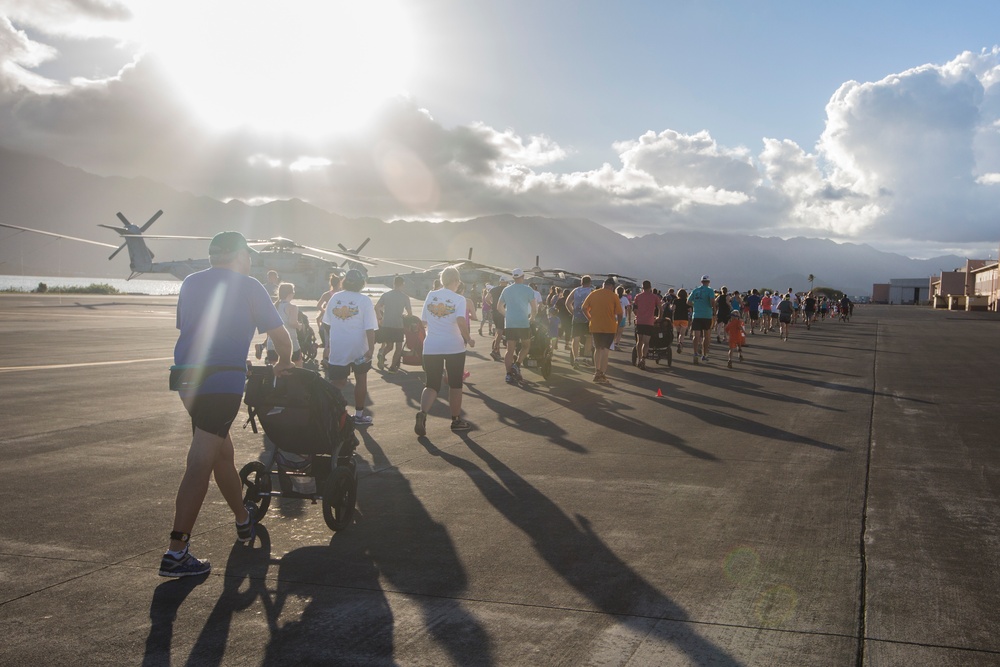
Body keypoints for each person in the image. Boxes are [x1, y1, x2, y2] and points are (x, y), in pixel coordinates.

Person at [161, 231, 293, 578]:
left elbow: (188, 327)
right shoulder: (249, 286)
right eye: (247, 255)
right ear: (239, 256)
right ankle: (176, 552)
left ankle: (243, 519)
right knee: (201, 460)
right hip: (222, 382)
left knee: (222, 454)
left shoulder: (190, 283)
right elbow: (281, 337)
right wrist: (284, 362)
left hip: (187, 380)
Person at [414, 265, 475, 435]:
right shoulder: (459, 299)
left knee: (432, 383)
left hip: (432, 346)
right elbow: (461, 321)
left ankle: (422, 413)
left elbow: (424, 321)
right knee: (455, 384)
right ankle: (456, 420)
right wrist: (468, 338)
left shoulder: (431, 295)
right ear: (456, 281)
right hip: (453, 346)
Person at [323, 269, 378, 424]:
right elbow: (370, 328)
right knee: (361, 379)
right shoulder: (364, 300)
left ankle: (330, 412)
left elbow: (326, 323)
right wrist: (371, 349)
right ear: (362, 283)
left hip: (339, 345)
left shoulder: (335, 298)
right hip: (359, 347)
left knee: (338, 382)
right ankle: (359, 416)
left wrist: (331, 342)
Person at [497, 269, 537, 384]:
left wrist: (507, 315)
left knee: (510, 350)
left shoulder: (506, 290)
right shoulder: (528, 290)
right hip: (523, 323)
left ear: (513, 277)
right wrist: (532, 318)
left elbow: (499, 307)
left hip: (510, 324)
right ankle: (518, 364)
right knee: (526, 345)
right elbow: (534, 308)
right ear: (523, 277)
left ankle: (508, 375)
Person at [582, 276, 624, 384]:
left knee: (598, 348)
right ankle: (602, 374)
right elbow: (620, 313)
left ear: (603, 285)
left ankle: (596, 372)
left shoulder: (594, 293)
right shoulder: (614, 296)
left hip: (595, 326)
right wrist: (618, 324)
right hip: (609, 327)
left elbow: (583, 308)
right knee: (605, 350)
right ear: (612, 286)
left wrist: (590, 318)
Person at [374, 275, 412, 373]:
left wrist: (379, 318)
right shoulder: (405, 297)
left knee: (389, 346)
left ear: (394, 284)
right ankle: (392, 367)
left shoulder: (386, 295)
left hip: (386, 324)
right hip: (398, 325)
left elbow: (377, 307)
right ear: (403, 284)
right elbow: (410, 314)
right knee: (398, 347)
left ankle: (382, 355)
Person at [266, 282, 303, 367]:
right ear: (290, 294)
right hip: (290, 344)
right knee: (297, 368)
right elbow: (292, 322)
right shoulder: (292, 307)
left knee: (275, 371)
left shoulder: (273, 306)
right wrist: (299, 326)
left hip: (272, 344)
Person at [631, 280, 662, 371]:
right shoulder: (654, 297)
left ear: (642, 287)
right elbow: (660, 308)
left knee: (639, 341)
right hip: (649, 321)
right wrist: (659, 317)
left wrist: (638, 315)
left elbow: (635, 309)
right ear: (650, 287)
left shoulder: (638, 296)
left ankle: (639, 358)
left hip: (640, 321)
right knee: (646, 342)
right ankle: (643, 358)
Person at [565, 276, 594, 369]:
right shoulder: (591, 291)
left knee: (575, 338)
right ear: (589, 282)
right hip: (588, 317)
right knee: (589, 337)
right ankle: (585, 358)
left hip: (577, 318)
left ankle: (576, 358)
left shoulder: (576, 290)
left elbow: (567, 303)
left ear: (581, 282)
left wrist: (573, 312)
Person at [688, 275, 716, 364]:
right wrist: (714, 309)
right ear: (708, 282)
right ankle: (704, 354)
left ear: (701, 282)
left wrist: (695, 305)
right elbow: (712, 301)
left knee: (696, 335)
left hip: (696, 315)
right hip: (707, 315)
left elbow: (688, 301)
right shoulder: (710, 290)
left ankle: (695, 353)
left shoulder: (695, 290)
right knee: (706, 335)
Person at [315, 273, 342, 350]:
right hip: (339, 318)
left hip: (328, 319)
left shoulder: (326, 294)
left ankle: (326, 357)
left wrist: (324, 311)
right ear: (339, 283)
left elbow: (318, 306)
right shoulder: (341, 294)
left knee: (327, 341)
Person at [487, 278, 507, 361]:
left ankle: (496, 350)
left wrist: (491, 305)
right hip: (502, 312)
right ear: (506, 282)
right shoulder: (507, 289)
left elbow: (486, 298)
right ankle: (495, 350)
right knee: (500, 331)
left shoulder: (493, 289)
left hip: (494, 311)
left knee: (498, 330)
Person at [672, 288, 690, 353]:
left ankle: (679, 342)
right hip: (684, 318)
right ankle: (680, 343)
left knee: (678, 332)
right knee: (682, 334)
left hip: (676, 318)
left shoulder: (675, 300)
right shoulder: (687, 301)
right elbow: (690, 310)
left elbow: (673, 308)